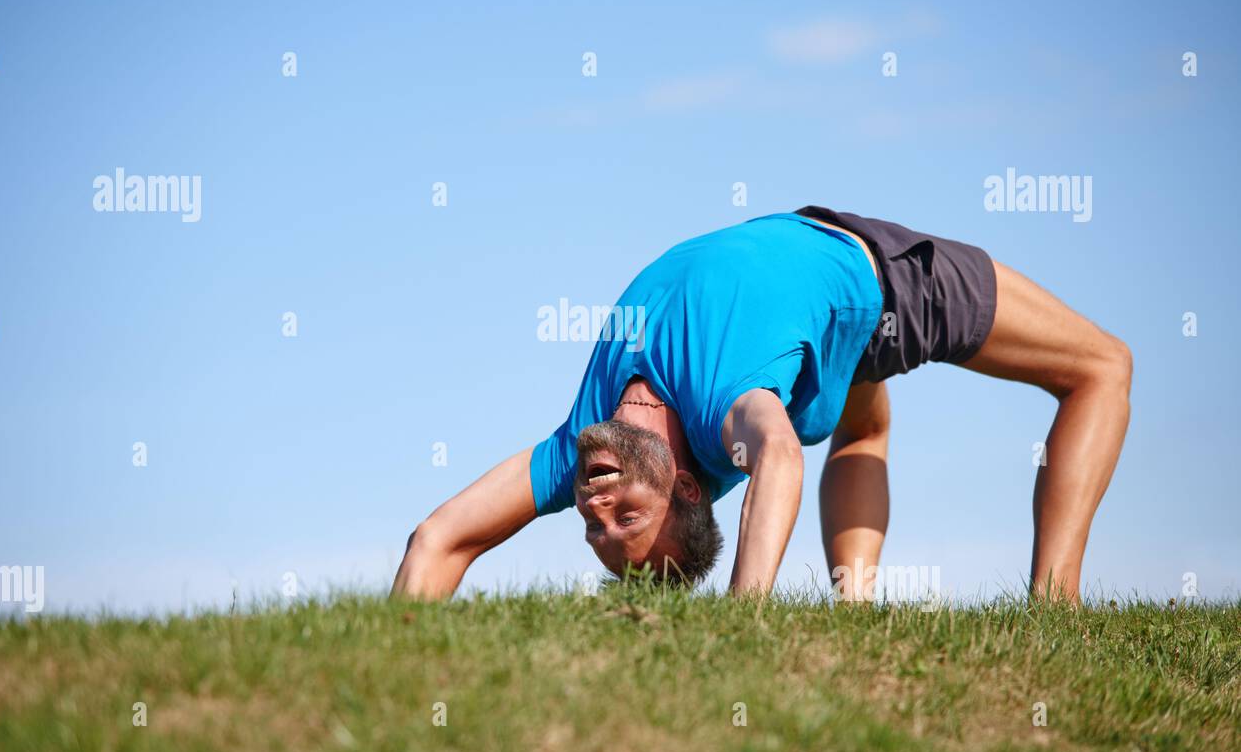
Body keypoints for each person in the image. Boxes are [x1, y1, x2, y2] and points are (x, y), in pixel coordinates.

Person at [392, 205, 1132, 604]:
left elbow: (438, 540)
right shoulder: (727, 413)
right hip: (881, 288)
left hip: (808, 262)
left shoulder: (575, 452)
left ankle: (864, 607)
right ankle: (1053, 607)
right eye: (626, 518)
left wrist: (392, 665)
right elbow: (777, 455)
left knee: (860, 421)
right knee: (1103, 363)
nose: (598, 505)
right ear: (685, 486)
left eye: (597, 527)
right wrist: (749, 621)